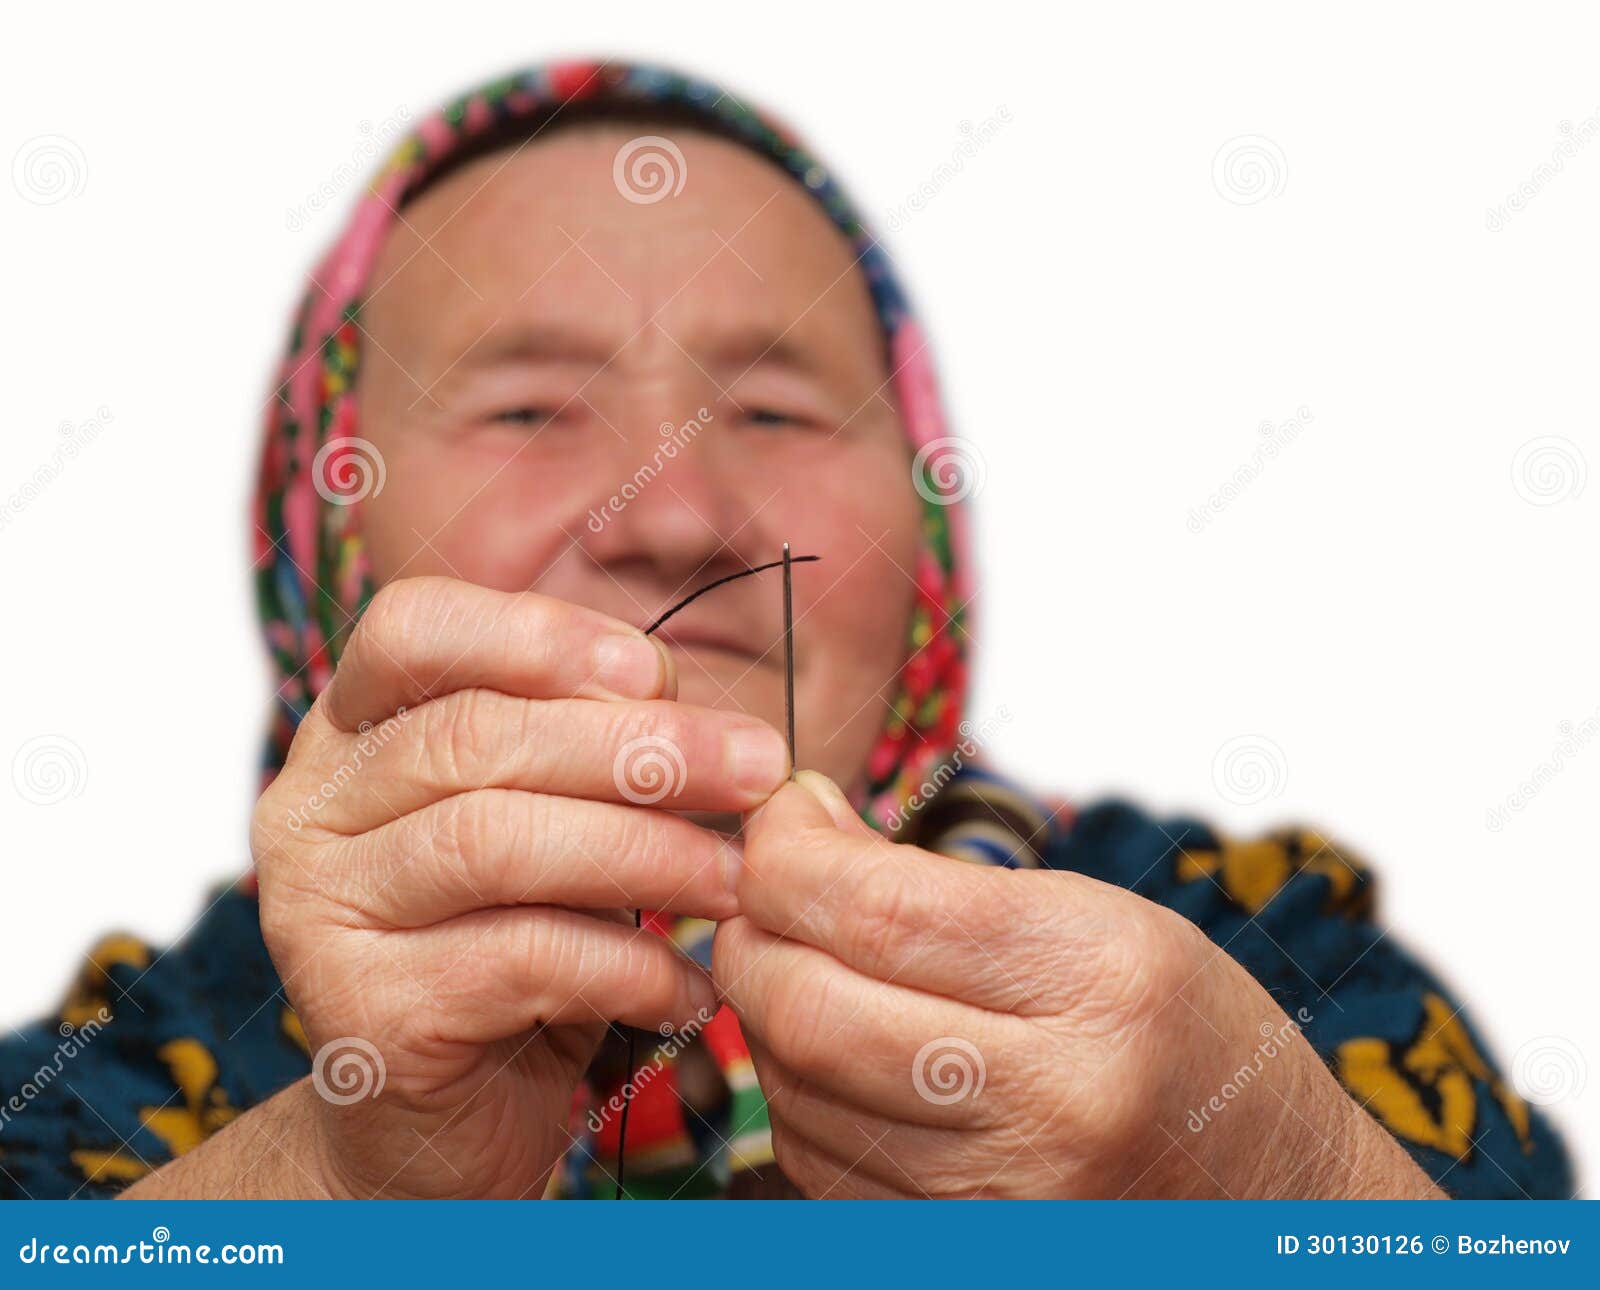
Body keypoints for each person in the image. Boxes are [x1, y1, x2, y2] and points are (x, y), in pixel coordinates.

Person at [0, 60, 1570, 1201]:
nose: (678, 512)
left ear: (933, 527)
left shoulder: (1247, 953)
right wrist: (345, 1181)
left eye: (776, 404)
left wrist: (1263, 1181)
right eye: (528, 404)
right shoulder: (136, 1066)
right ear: (320, 527)